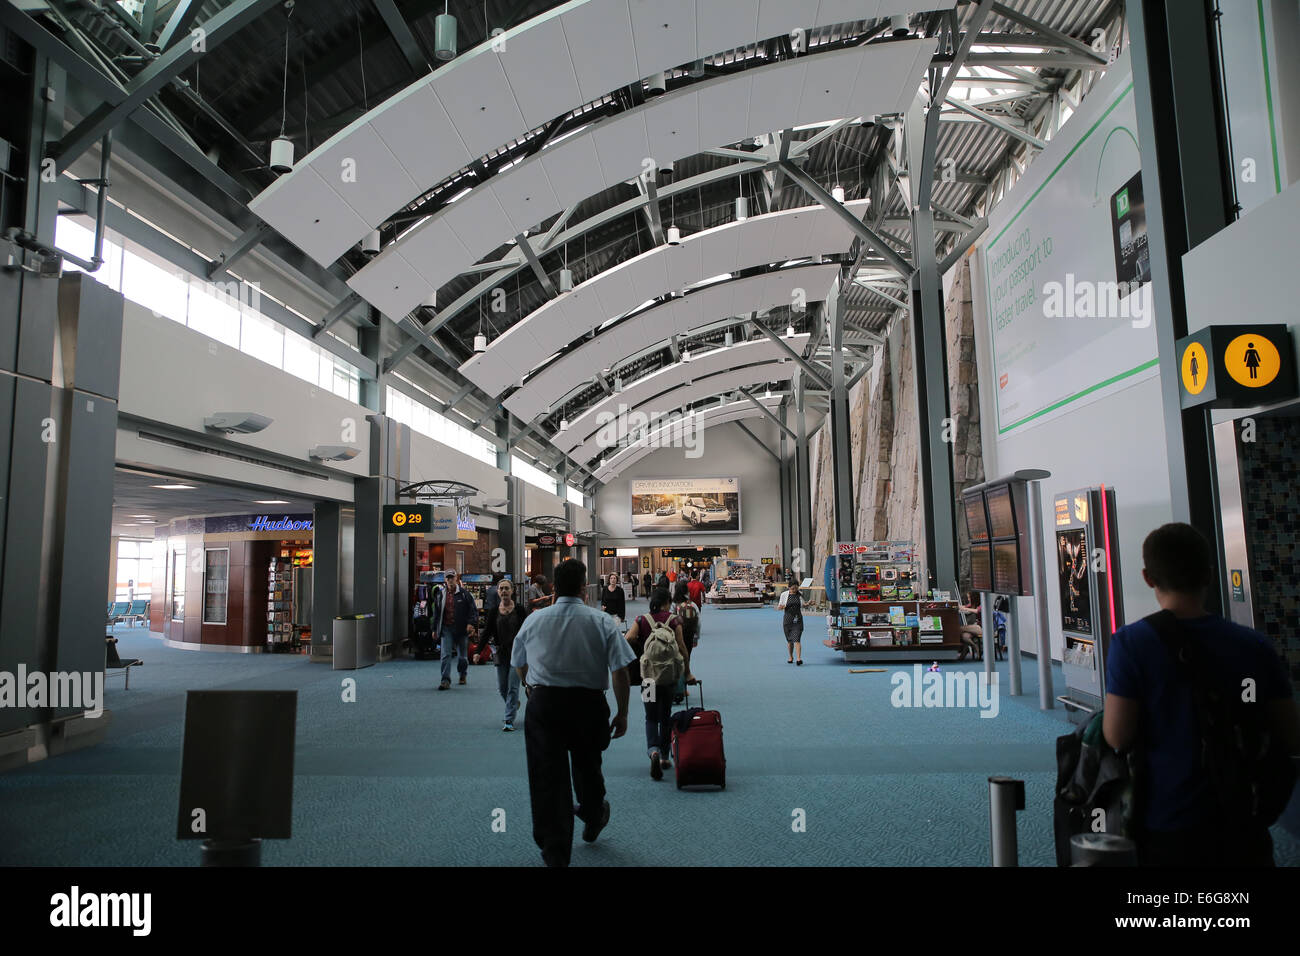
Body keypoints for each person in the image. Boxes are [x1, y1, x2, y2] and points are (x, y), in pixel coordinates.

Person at [1103, 523, 1299, 866]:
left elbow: (1117, 735)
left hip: (1167, 817)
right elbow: (1291, 735)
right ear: (1209, 574)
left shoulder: (1132, 644)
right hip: (1242, 814)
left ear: (1148, 578)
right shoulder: (1253, 645)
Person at [512, 559, 635, 868]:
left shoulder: (534, 620)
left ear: (553, 587)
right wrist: (622, 713)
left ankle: (555, 854)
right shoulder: (602, 621)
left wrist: (529, 686)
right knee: (587, 766)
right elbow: (620, 672)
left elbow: (518, 662)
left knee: (547, 778)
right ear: (584, 588)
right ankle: (594, 813)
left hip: (545, 705)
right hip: (588, 704)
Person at [624, 589, 687, 781]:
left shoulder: (642, 620)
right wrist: (688, 672)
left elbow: (627, 639)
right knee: (666, 716)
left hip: (649, 679)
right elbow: (682, 647)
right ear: (668, 602)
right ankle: (666, 756)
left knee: (651, 716)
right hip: (668, 678)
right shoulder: (674, 620)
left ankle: (653, 752)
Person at [482, 577, 528, 731]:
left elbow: (528, 631)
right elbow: (487, 632)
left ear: (512, 591)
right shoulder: (494, 611)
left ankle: (508, 720)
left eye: (506, 588)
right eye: (501, 589)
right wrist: (477, 651)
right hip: (500, 653)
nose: (504, 591)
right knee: (502, 687)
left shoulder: (520, 609)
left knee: (512, 687)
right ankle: (514, 704)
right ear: (497, 591)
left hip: (517, 653)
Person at [434, 570, 479, 690]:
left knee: (462, 657)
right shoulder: (440, 594)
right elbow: (437, 614)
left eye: (452, 577)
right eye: (447, 578)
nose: (450, 580)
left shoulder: (465, 594)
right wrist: (434, 629)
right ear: (445, 580)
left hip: (461, 629)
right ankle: (445, 680)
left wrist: (471, 624)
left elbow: (473, 611)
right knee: (445, 655)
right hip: (446, 629)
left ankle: (462, 674)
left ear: (456, 578)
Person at [781, 580, 804, 664]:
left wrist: (808, 603)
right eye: (793, 588)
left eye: (796, 588)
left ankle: (799, 659)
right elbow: (780, 606)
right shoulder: (784, 595)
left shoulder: (800, 594)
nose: (795, 590)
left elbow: (803, 604)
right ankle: (791, 657)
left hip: (798, 619)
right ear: (789, 587)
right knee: (790, 640)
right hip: (788, 620)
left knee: (797, 639)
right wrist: (782, 607)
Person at [956, 593, 983, 662]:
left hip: (983, 628)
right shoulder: (973, 604)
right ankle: (974, 647)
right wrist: (957, 605)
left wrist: (965, 608)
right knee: (965, 636)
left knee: (959, 629)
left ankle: (975, 648)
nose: (968, 599)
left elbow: (977, 611)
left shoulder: (982, 604)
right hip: (977, 626)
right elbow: (964, 607)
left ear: (974, 598)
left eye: (969, 598)